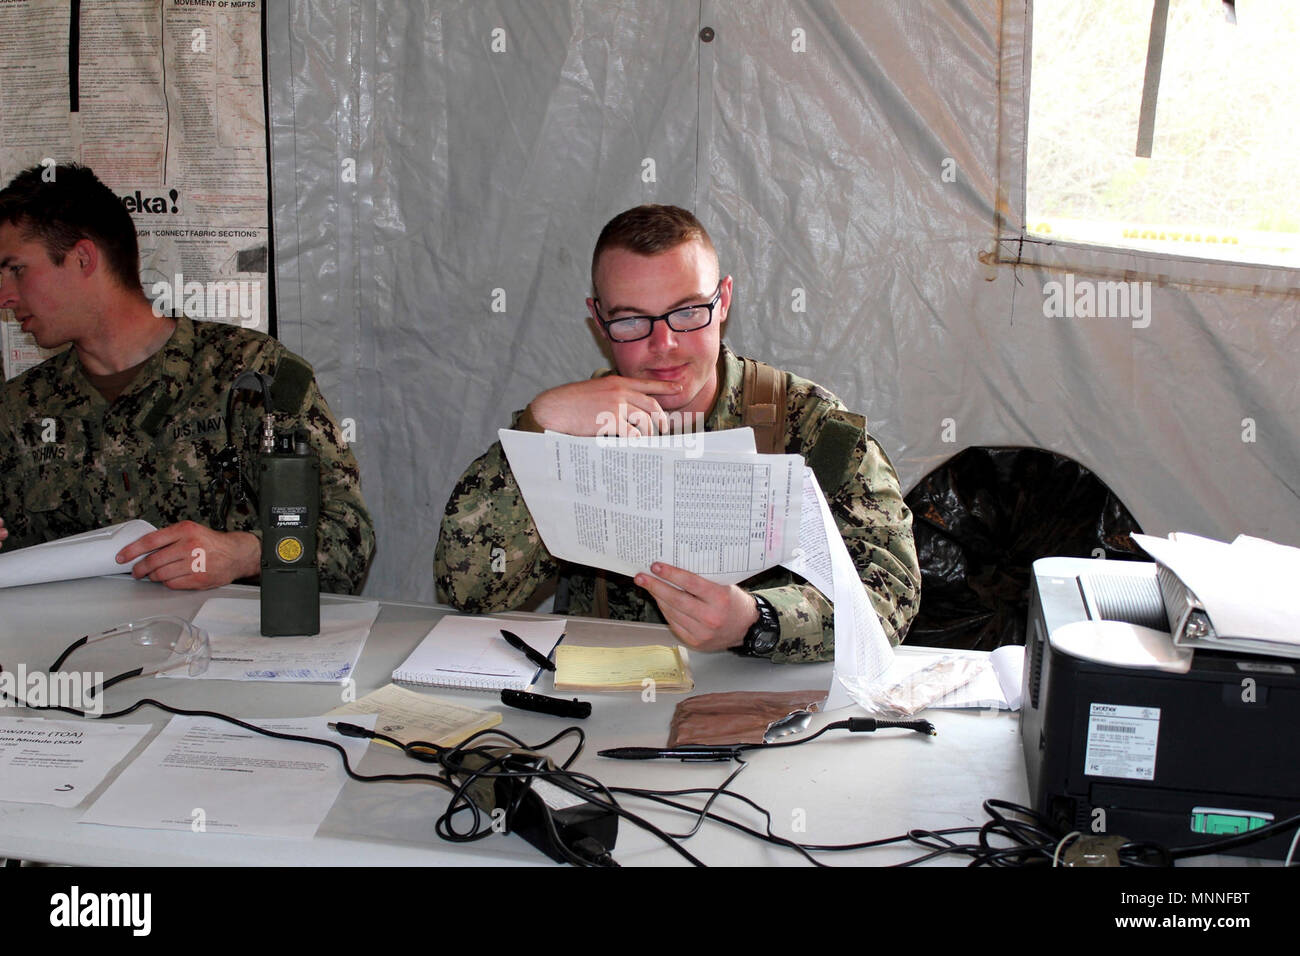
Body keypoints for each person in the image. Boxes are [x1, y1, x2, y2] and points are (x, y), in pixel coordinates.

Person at [436, 204, 919, 662]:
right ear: (599, 320)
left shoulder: (810, 426)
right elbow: (471, 590)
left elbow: (889, 595)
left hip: (761, 706)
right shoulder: (573, 428)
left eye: (687, 313)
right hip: (604, 705)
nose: (663, 345)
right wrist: (536, 429)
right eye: (631, 320)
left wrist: (758, 621)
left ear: (723, 299)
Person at [0, 163, 374, 593]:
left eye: (16, 270)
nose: (5, 296)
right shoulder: (20, 409)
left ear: (83, 258)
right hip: (74, 653)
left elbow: (349, 541)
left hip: (229, 652)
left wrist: (243, 553)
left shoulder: (253, 379)